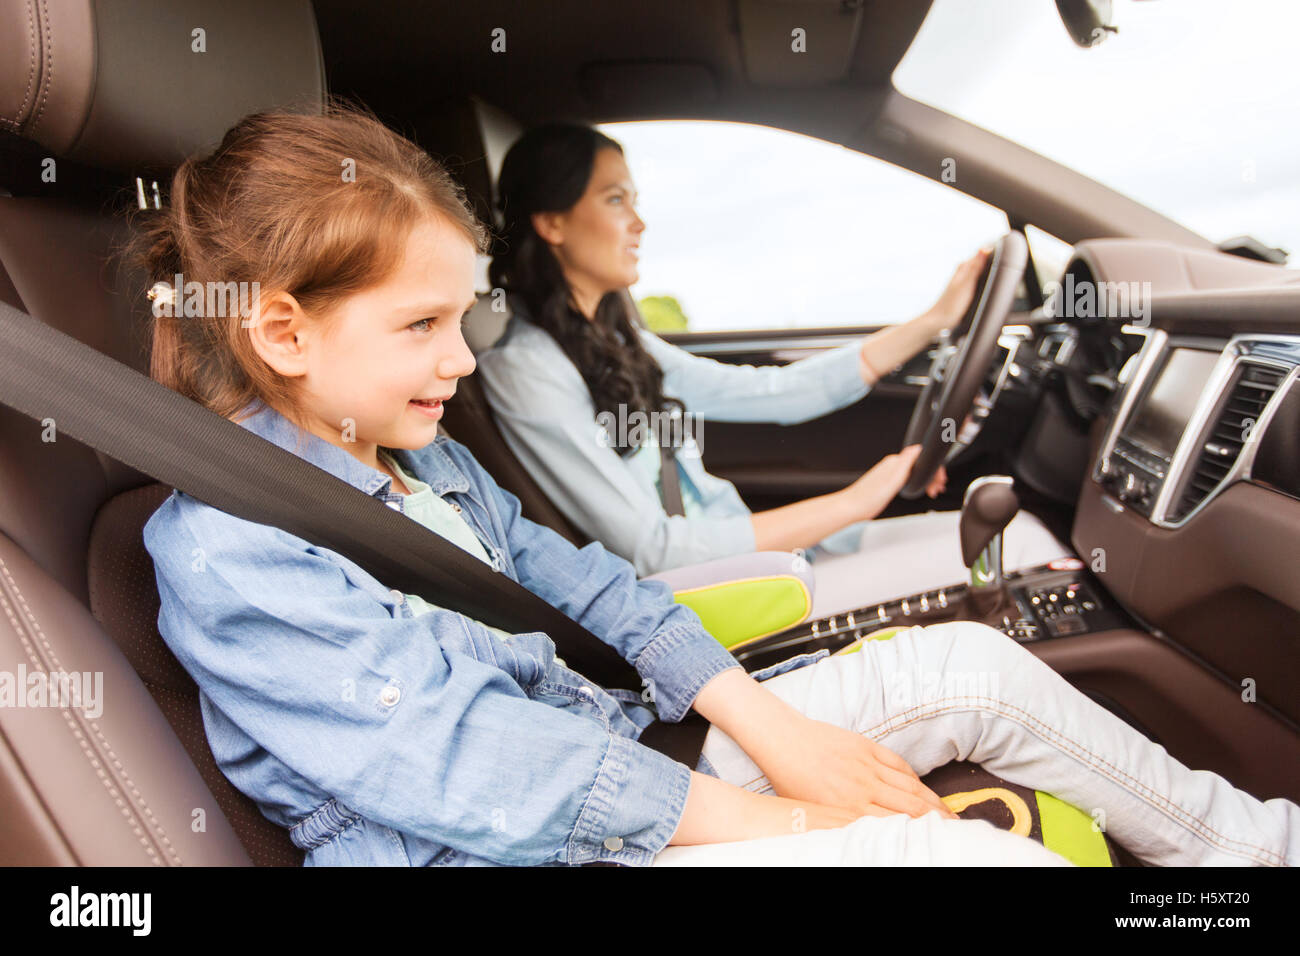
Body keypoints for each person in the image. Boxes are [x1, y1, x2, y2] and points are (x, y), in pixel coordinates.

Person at [137, 101, 1296, 867]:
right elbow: (472, 763)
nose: (459, 356)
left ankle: (1258, 852)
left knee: (973, 666)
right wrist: (789, 815)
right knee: (950, 851)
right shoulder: (230, 548)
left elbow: (587, 582)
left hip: (619, 747)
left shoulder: (420, 456)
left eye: (463, 315)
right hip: (533, 842)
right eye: (423, 324)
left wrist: (759, 718)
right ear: (283, 335)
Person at [476, 124, 1068, 613]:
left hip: (750, 564)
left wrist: (933, 321)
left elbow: (774, 391)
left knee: (1015, 538)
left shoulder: (620, 342)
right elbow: (655, 552)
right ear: (551, 223)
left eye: (636, 200)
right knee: (1029, 551)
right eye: (615, 199)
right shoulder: (526, 370)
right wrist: (857, 501)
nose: (639, 222)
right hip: (702, 600)